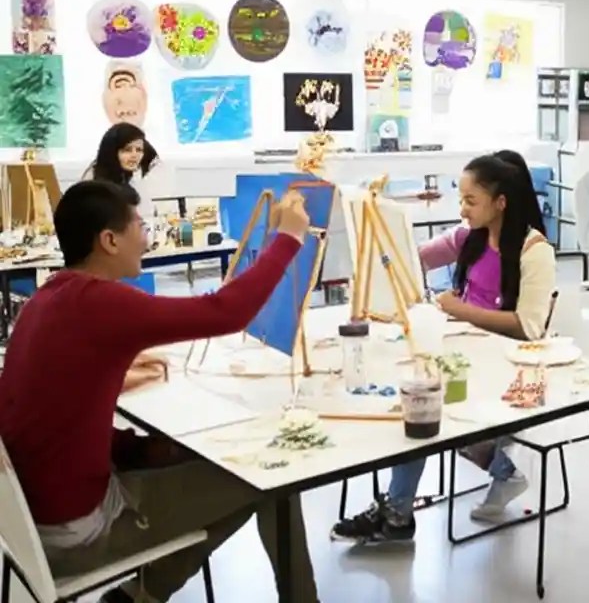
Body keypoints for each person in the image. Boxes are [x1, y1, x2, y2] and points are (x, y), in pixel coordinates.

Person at [0, 181, 319, 603]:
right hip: (78, 533)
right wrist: (289, 238)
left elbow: (58, 417)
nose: (147, 237)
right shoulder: (99, 303)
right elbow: (225, 311)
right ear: (109, 240)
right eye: (141, 225)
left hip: (37, 518)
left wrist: (151, 451)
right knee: (273, 476)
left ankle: (139, 596)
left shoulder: (48, 299)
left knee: (221, 471)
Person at [331, 150, 556, 543]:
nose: (463, 210)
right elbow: (409, 259)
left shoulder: (533, 250)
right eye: (461, 199)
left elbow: (528, 327)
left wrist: (461, 310)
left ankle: (399, 513)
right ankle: (491, 474)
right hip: (464, 353)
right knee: (415, 392)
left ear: (500, 203)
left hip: (506, 365)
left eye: (471, 201)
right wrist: (378, 255)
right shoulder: (468, 236)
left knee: (422, 399)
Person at [85, 123, 163, 217]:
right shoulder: (94, 184)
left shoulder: (132, 178)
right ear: (112, 151)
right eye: (127, 150)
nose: (134, 155)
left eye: (139, 150)